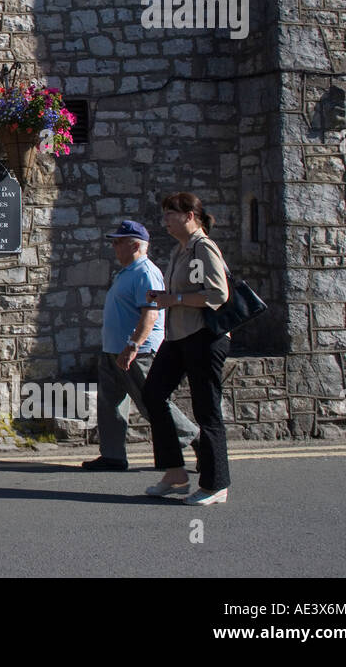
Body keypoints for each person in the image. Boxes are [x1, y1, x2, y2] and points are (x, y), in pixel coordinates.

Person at [81, 220, 199, 471]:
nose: (114, 247)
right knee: (110, 404)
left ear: (135, 245)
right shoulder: (127, 272)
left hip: (137, 353)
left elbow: (151, 314)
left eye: (118, 242)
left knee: (152, 404)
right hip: (113, 350)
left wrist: (133, 345)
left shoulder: (146, 272)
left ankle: (196, 439)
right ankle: (113, 456)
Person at [142, 192, 232, 505]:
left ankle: (215, 484)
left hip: (204, 336)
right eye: (164, 214)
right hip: (179, 335)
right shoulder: (181, 250)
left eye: (170, 214)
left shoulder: (202, 246)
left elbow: (218, 294)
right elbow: (186, 289)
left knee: (207, 409)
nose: (164, 220)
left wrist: (175, 300)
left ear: (190, 216)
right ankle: (175, 474)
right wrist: (164, 296)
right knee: (152, 393)